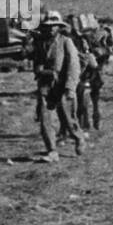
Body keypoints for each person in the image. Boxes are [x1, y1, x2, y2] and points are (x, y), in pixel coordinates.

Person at [32, 12, 85, 161]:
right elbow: (37, 61)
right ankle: (52, 151)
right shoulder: (41, 43)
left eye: (54, 26)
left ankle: (78, 137)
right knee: (46, 119)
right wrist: (38, 69)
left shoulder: (66, 42)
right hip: (46, 85)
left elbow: (74, 66)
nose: (51, 29)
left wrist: (70, 87)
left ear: (59, 27)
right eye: (48, 26)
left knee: (68, 119)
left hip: (63, 85)